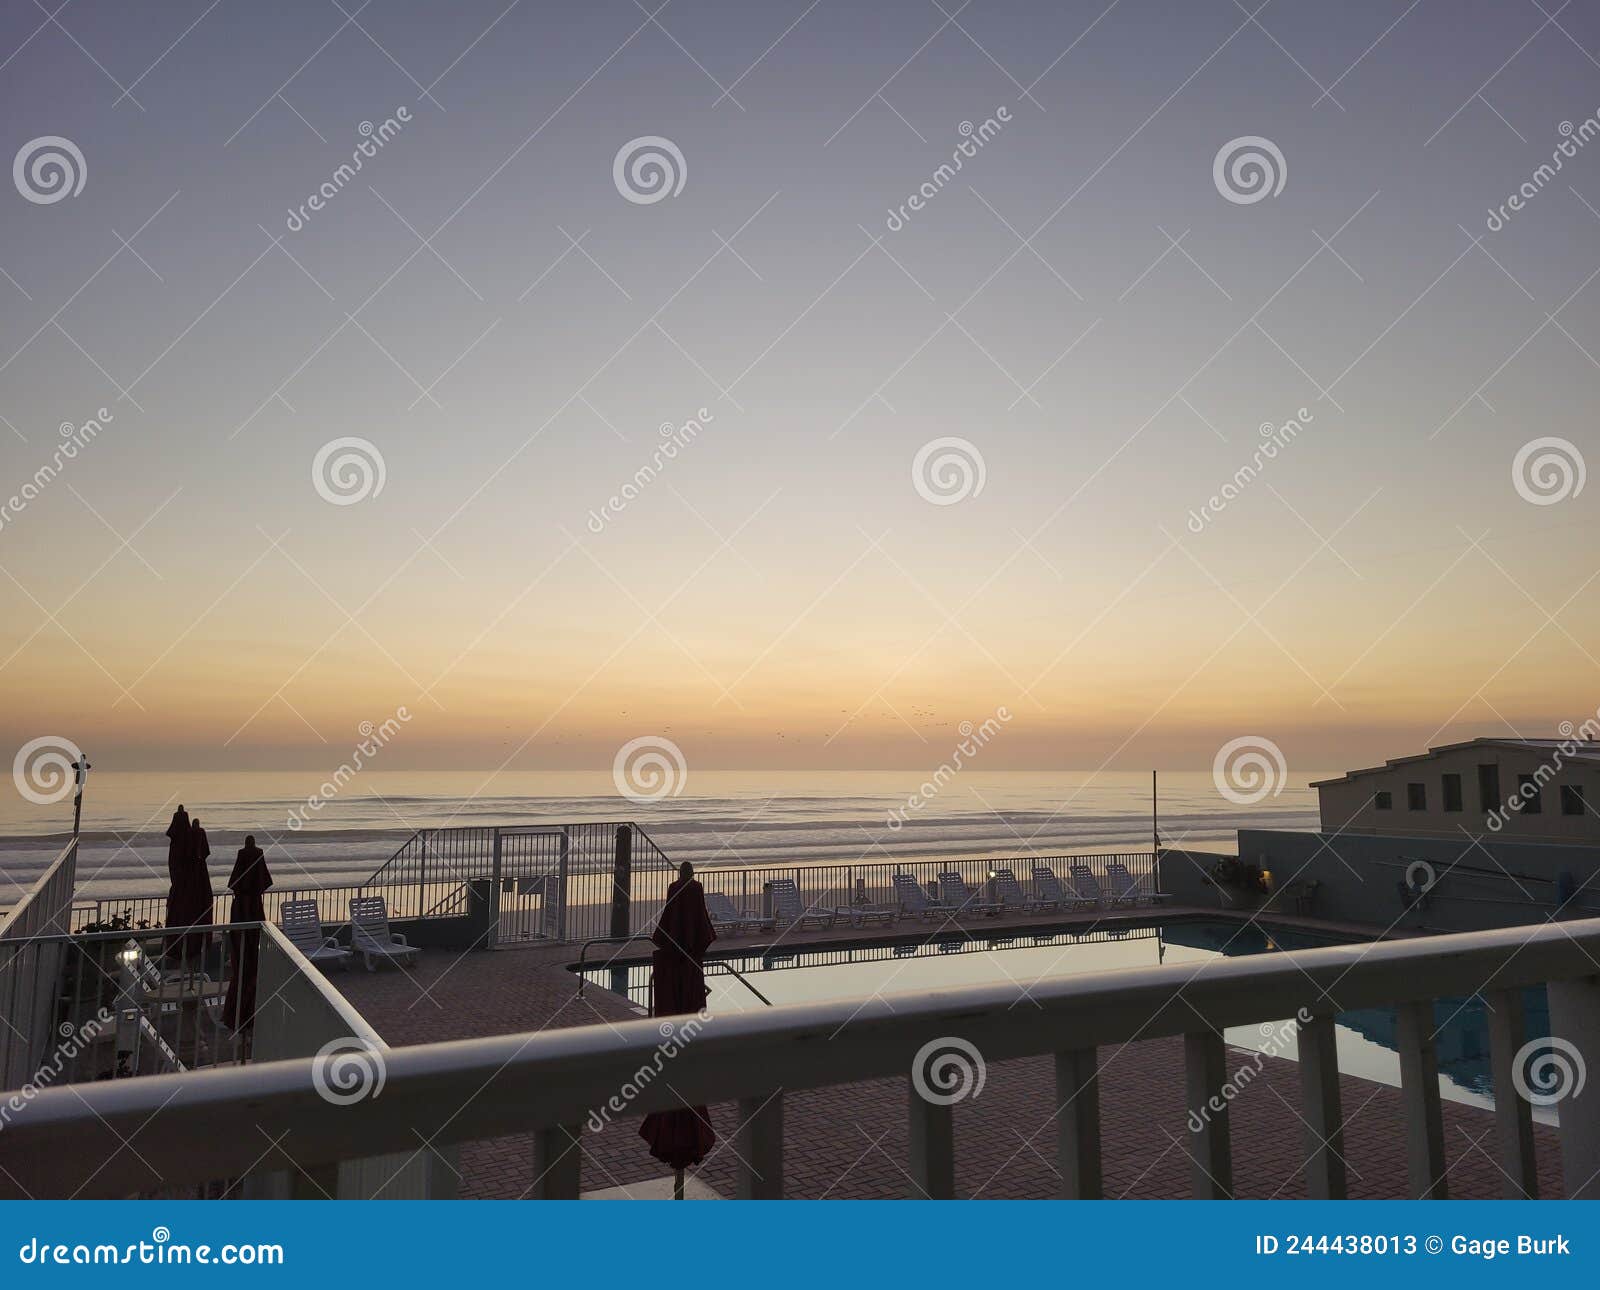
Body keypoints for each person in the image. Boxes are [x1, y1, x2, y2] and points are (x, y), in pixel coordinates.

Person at [639, 861, 717, 1191]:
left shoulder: (671, 969)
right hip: (688, 979)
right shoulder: (694, 892)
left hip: (677, 987)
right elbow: (699, 932)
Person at [223, 836, 273, 1034]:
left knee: (246, 965)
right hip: (251, 910)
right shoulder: (253, 906)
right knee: (249, 965)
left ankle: (242, 1016)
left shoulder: (241, 904)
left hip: (245, 911)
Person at [164, 808, 214, 966]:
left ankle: (186, 954)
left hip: (183, 891)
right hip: (187, 892)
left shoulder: (181, 845)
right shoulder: (189, 846)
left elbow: (174, 868)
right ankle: (188, 955)